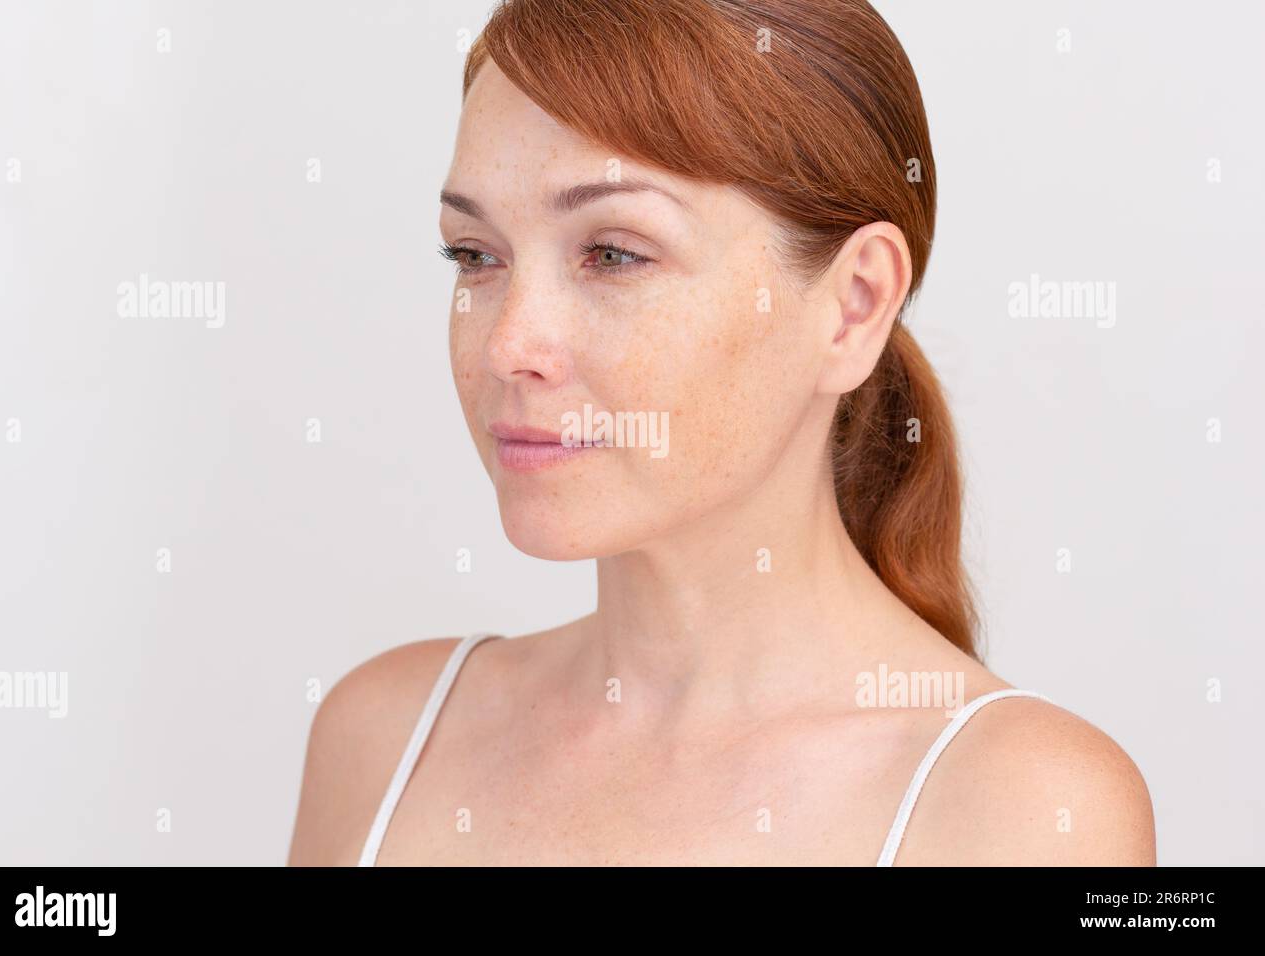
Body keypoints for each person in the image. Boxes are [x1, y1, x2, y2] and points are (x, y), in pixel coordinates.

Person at [288, 0, 1156, 866]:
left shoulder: (1026, 811)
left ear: (853, 306)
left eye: (614, 253)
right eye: (476, 254)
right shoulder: (386, 742)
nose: (510, 347)